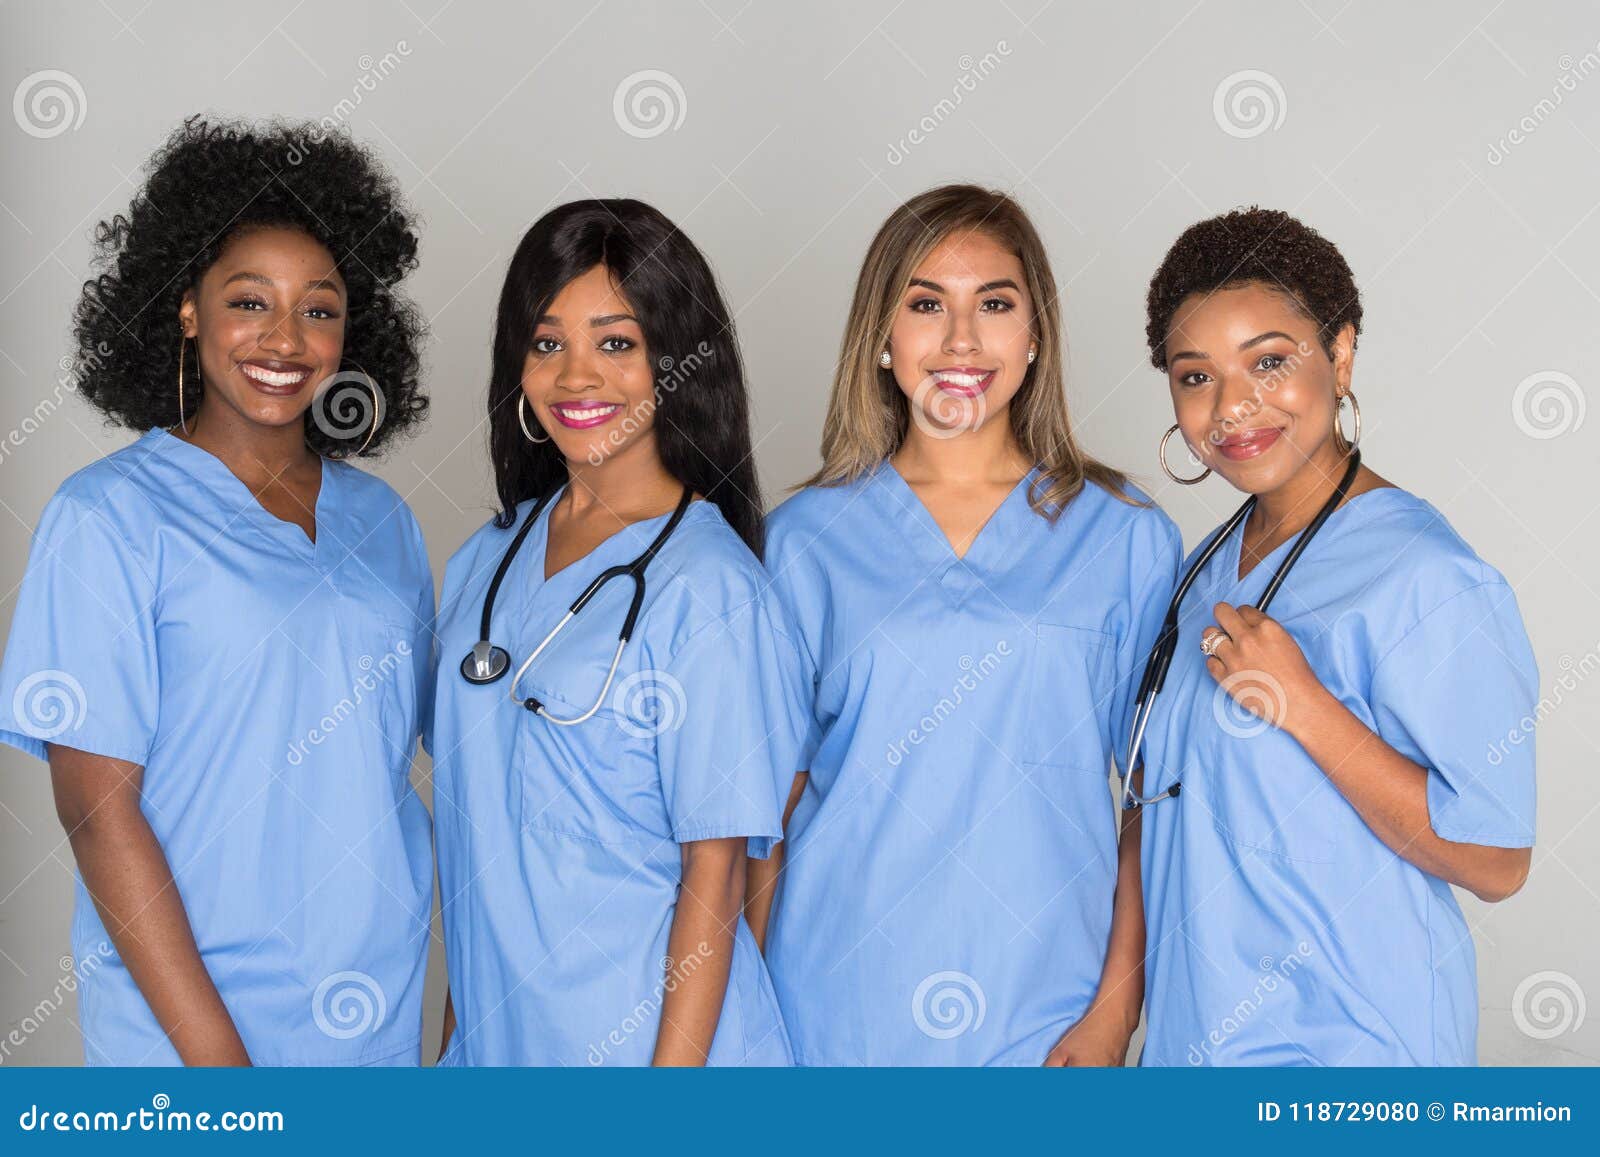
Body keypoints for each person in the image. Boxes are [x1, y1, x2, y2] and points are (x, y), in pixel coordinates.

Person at [0, 117, 434, 1066]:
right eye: (249, 301)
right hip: (190, 1035)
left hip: (374, 1012)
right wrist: (218, 1068)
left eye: (318, 309)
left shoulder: (383, 524)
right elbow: (96, 811)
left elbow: (425, 759)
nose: (286, 338)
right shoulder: (108, 519)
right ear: (187, 309)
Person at [746, 185, 1180, 1065]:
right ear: (880, 335)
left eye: (994, 304)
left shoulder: (1126, 536)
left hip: (1046, 1011)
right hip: (831, 1008)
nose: (960, 341)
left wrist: (1115, 1010)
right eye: (924, 304)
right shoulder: (803, 542)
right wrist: (744, 1028)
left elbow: (1153, 806)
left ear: (1036, 335)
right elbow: (767, 810)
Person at [1134, 207, 1536, 1066]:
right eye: (1195, 376)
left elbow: (1497, 858)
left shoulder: (1426, 577)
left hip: (1348, 1054)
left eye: (1269, 361)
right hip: (1190, 1049)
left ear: (1341, 353)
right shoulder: (1205, 566)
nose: (1233, 406)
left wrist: (1306, 707)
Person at [429, 199, 800, 1066]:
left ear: (675, 362)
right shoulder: (484, 562)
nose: (576, 376)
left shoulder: (709, 588)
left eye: (617, 343)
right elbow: (479, 840)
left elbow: (717, 883)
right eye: (547, 342)